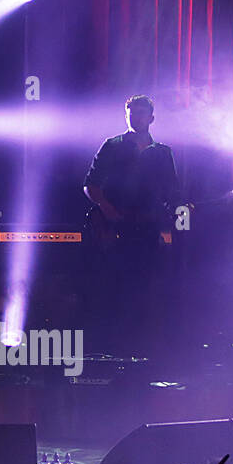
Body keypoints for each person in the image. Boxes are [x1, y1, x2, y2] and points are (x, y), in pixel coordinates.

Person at [82, 95, 179, 356]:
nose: (136, 118)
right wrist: (107, 209)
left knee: (145, 287)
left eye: (141, 114)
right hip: (115, 228)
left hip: (147, 229)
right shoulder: (112, 146)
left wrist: (164, 222)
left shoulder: (163, 153)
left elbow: (171, 192)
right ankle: (112, 348)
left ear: (151, 118)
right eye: (131, 114)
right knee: (114, 287)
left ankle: (143, 350)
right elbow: (90, 184)